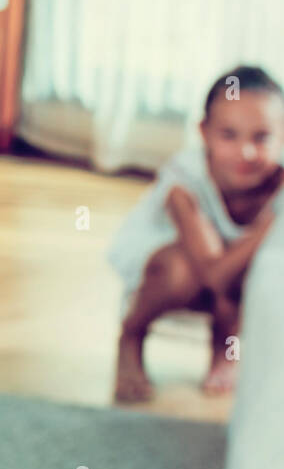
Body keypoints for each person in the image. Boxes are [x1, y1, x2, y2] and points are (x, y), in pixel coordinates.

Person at [110, 65, 284, 402]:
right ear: (203, 132)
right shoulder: (184, 181)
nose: (246, 153)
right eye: (229, 135)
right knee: (183, 271)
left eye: (261, 137)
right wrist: (268, 225)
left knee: (263, 271)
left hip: (235, 275)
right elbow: (214, 273)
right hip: (183, 268)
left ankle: (225, 348)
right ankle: (131, 336)